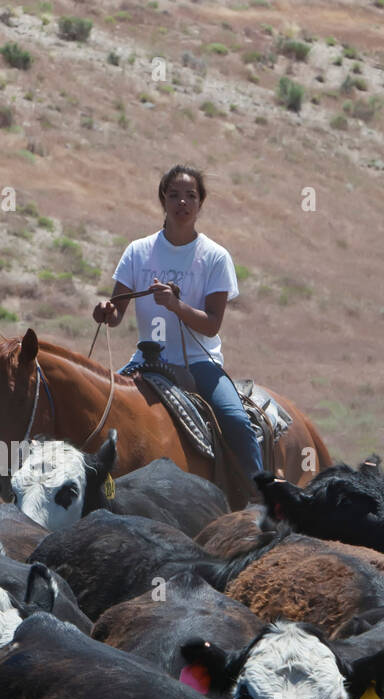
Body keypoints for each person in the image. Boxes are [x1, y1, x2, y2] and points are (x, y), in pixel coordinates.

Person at [91, 164, 265, 481]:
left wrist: (176, 306)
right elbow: (116, 315)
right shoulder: (137, 251)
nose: (182, 203)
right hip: (146, 359)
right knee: (102, 409)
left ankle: (262, 493)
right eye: (174, 195)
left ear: (200, 203)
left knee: (235, 419)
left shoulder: (215, 256)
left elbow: (212, 325)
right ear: (163, 201)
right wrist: (104, 310)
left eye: (190, 196)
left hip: (200, 363)